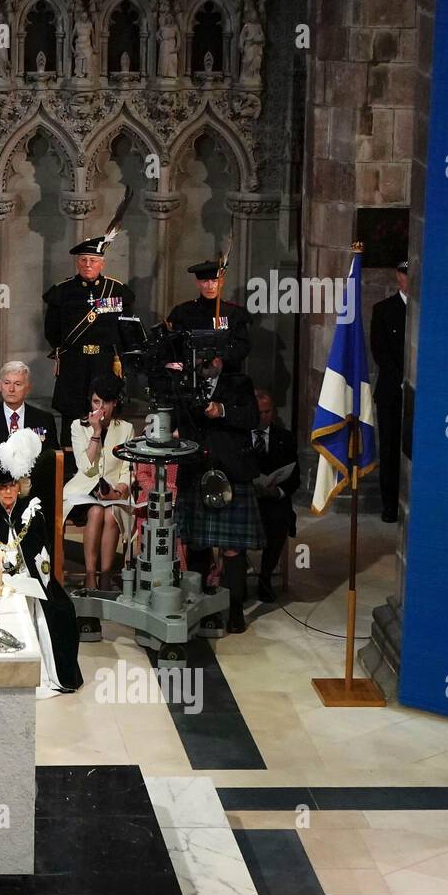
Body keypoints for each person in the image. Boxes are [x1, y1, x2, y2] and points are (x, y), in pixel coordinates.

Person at [0, 428, 83, 693]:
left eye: (12, 486)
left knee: (60, 610)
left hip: (26, 581)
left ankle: (40, 672)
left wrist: (27, 579)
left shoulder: (33, 511)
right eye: (2, 487)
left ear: (20, 486)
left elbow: (41, 555)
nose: (8, 493)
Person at [175, 359, 263, 634]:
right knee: (198, 543)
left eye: (212, 358)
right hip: (196, 470)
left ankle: (234, 609)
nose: (206, 364)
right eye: (201, 358)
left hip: (232, 472)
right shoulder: (186, 384)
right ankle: (200, 607)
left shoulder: (239, 382)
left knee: (233, 548)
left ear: (221, 360)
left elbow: (252, 418)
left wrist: (222, 410)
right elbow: (180, 420)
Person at [43, 221, 134, 443]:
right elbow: (52, 330)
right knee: (72, 418)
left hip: (105, 362)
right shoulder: (62, 292)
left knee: (106, 415)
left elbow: (126, 329)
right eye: (83, 260)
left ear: (102, 264)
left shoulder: (117, 291)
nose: (87, 264)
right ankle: (71, 467)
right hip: (74, 363)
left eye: (93, 260)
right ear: (77, 263)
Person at [64, 374, 136, 597]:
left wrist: (120, 489)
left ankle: (105, 575)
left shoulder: (125, 428)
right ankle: (90, 574)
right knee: (95, 512)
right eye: (96, 402)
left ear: (115, 403)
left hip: (113, 491)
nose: (100, 408)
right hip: (83, 491)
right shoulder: (78, 426)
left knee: (110, 513)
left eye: (106, 402)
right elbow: (85, 467)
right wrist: (96, 432)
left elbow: (127, 469)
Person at [251, 389, 300, 603]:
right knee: (238, 519)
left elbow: (295, 476)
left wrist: (278, 491)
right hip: (247, 498)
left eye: (268, 412)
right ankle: (234, 579)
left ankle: (265, 577)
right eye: (260, 412)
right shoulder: (239, 438)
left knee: (280, 520)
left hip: (274, 498)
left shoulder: (285, 437)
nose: (264, 416)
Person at [166, 259, 251, 374]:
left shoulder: (233, 312)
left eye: (214, 281)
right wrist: (193, 360)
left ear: (221, 282)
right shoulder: (183, 311)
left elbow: (243, 345)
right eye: (205, 281)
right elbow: (173, 344)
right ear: (198, 283)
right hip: (191, 375)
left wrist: (223, 358)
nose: (210, 286)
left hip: (226, 377)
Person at [371, 260, 408, 522]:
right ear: (398, 276)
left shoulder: (427, 309)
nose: (408, 278)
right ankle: (390, 506)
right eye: (405, 274)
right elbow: (380, 352)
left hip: (420, 394)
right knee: (390, 448)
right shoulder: (383, 310)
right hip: (392, 392)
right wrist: (402, 380)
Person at [0, 361, 59, 462]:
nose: (11, 389)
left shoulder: (44, 419)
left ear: (28, 388)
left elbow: (53, 460)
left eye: (17, 384)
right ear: (0, 386)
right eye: (7, 383)